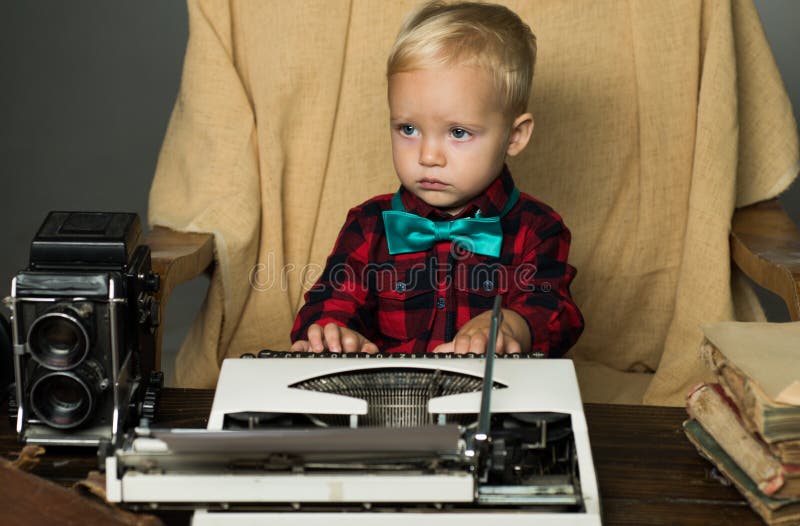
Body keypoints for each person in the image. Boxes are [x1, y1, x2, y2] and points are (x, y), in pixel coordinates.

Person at [290, 0, 583, 356]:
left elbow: (554, 311)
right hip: (389, 401)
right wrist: (333, 333)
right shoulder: (369, 225)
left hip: (491, 402)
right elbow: (331, 300)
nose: (428, 156)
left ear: (514, 136)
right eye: (408, 128)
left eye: (458, 132)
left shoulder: (538, 229)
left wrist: (509, 325)